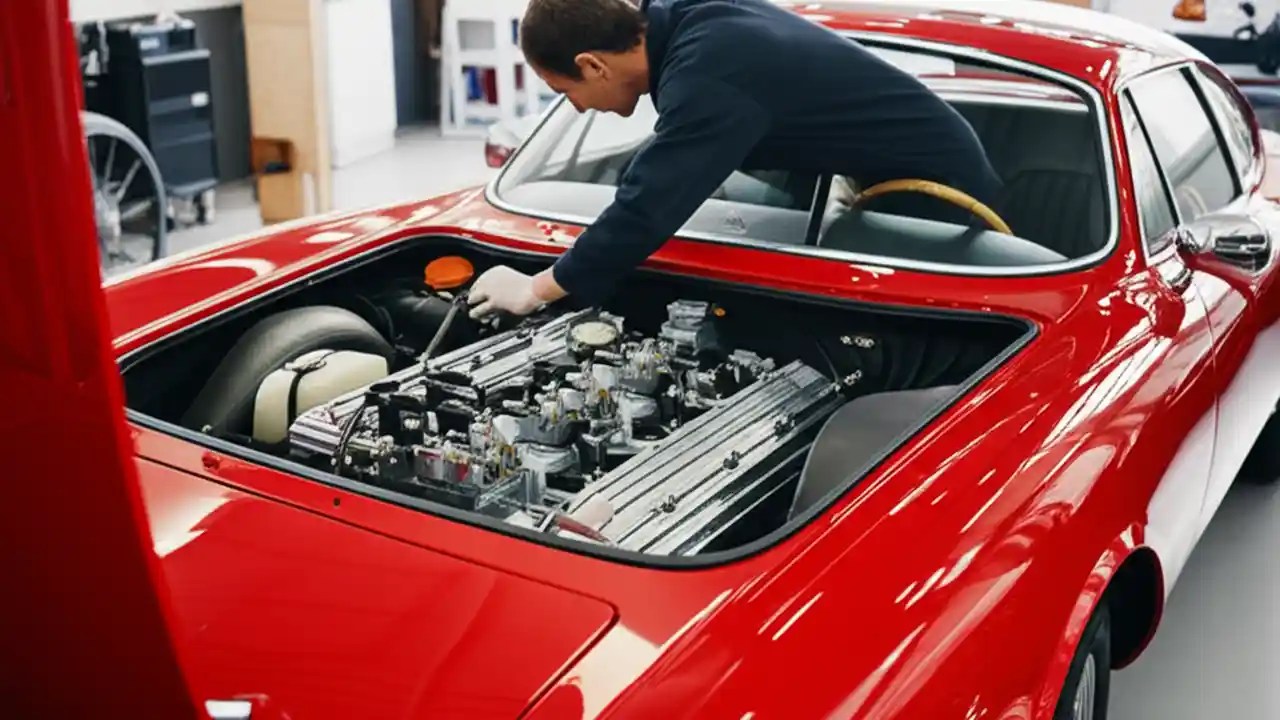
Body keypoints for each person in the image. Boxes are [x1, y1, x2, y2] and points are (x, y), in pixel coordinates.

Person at [466, 0, 1002, 319]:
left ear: (593, 65)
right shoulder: (677, 22)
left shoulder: (707, 74)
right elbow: (656, 170)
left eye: (566, 91)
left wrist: (536, 290)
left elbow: (647, 208)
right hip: (876, 174)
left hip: (935, 196)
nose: (578, 108)